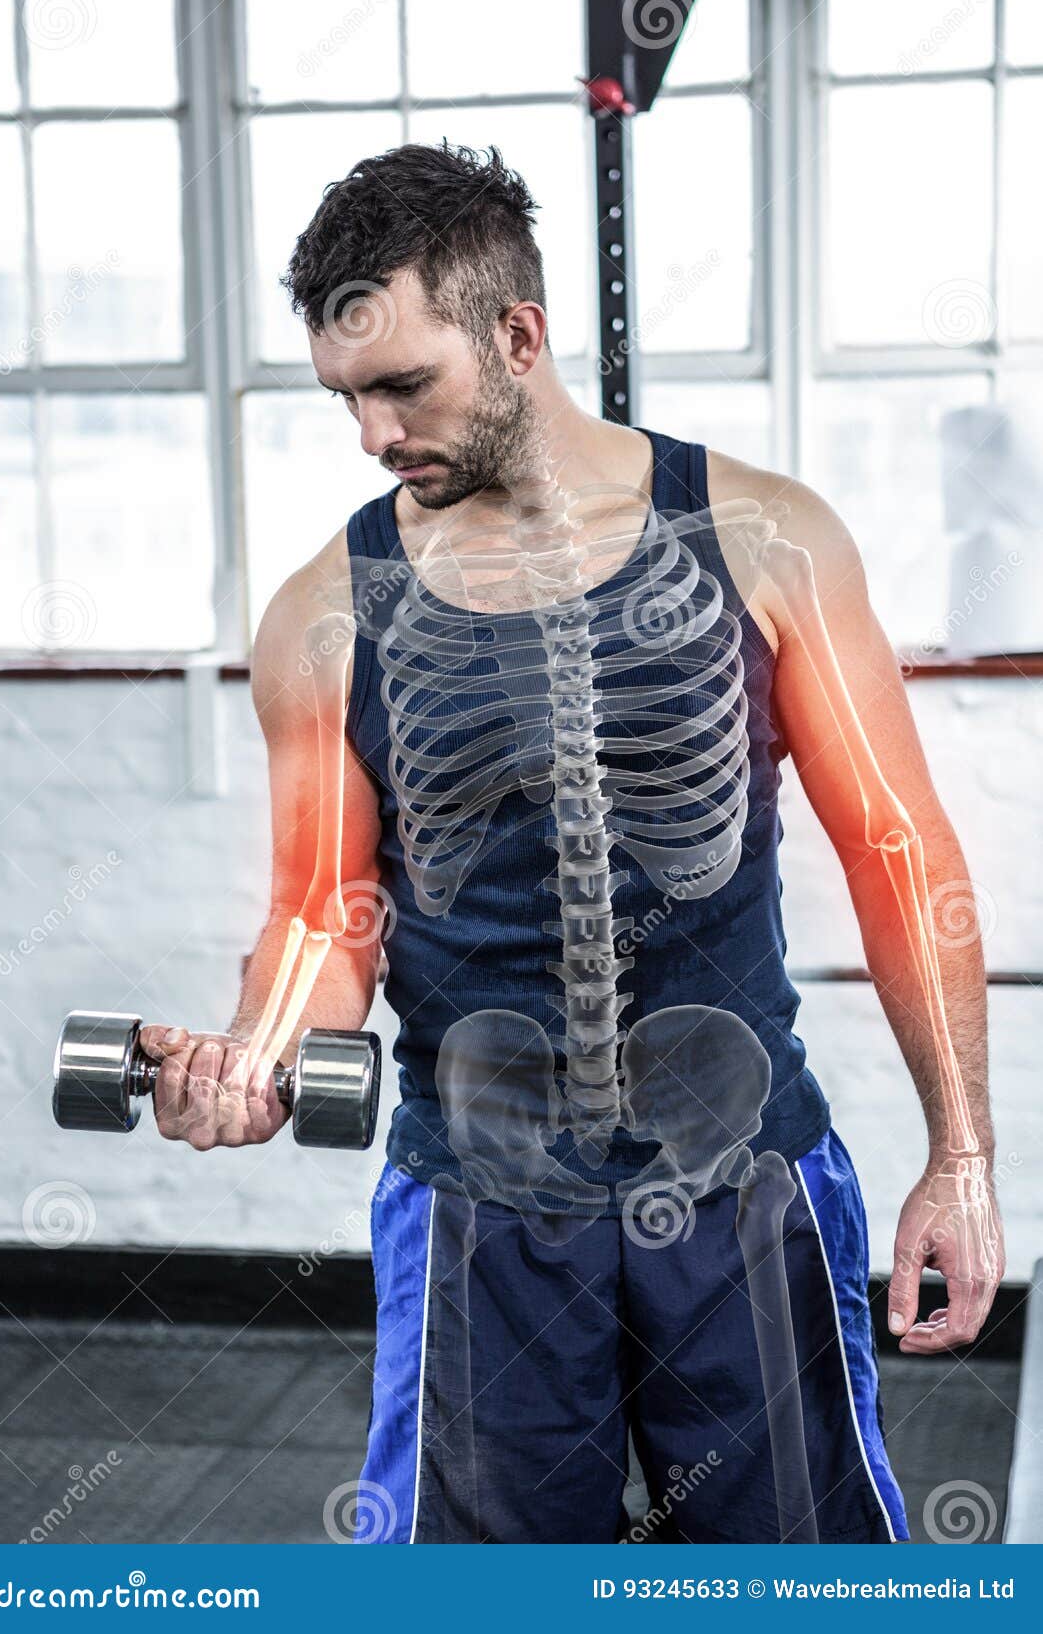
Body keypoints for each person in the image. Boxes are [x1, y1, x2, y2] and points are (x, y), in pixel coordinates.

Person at [140, 141, 1004, 1544]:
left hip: (746, 1184)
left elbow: (899, 853)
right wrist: (260, 1057)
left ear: (519, 335)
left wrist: (961, 1156)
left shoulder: (767, 538)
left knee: (810, 1596)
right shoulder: (322, 614)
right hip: (479, 1211)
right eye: (344, 396)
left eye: (403, 384)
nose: (370, 433)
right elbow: (322, 912)